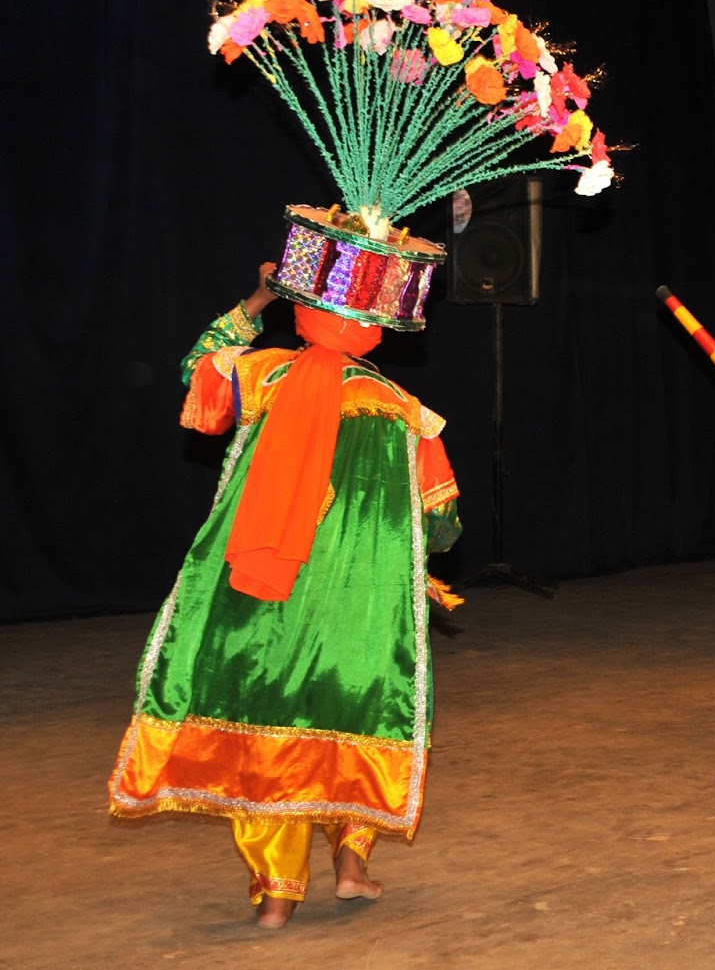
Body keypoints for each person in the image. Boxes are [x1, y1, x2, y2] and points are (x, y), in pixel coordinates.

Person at [108, 261, 462, 928]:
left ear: (304, 312)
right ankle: (351, 865)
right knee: (350, 720)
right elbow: (442, 523)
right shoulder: (408, 414)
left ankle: (277, 892)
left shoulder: (264, 374)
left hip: (257, 597)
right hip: (354, 611)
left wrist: (263, 294)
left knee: (269, 731)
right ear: (376, 329)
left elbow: (198, 366)